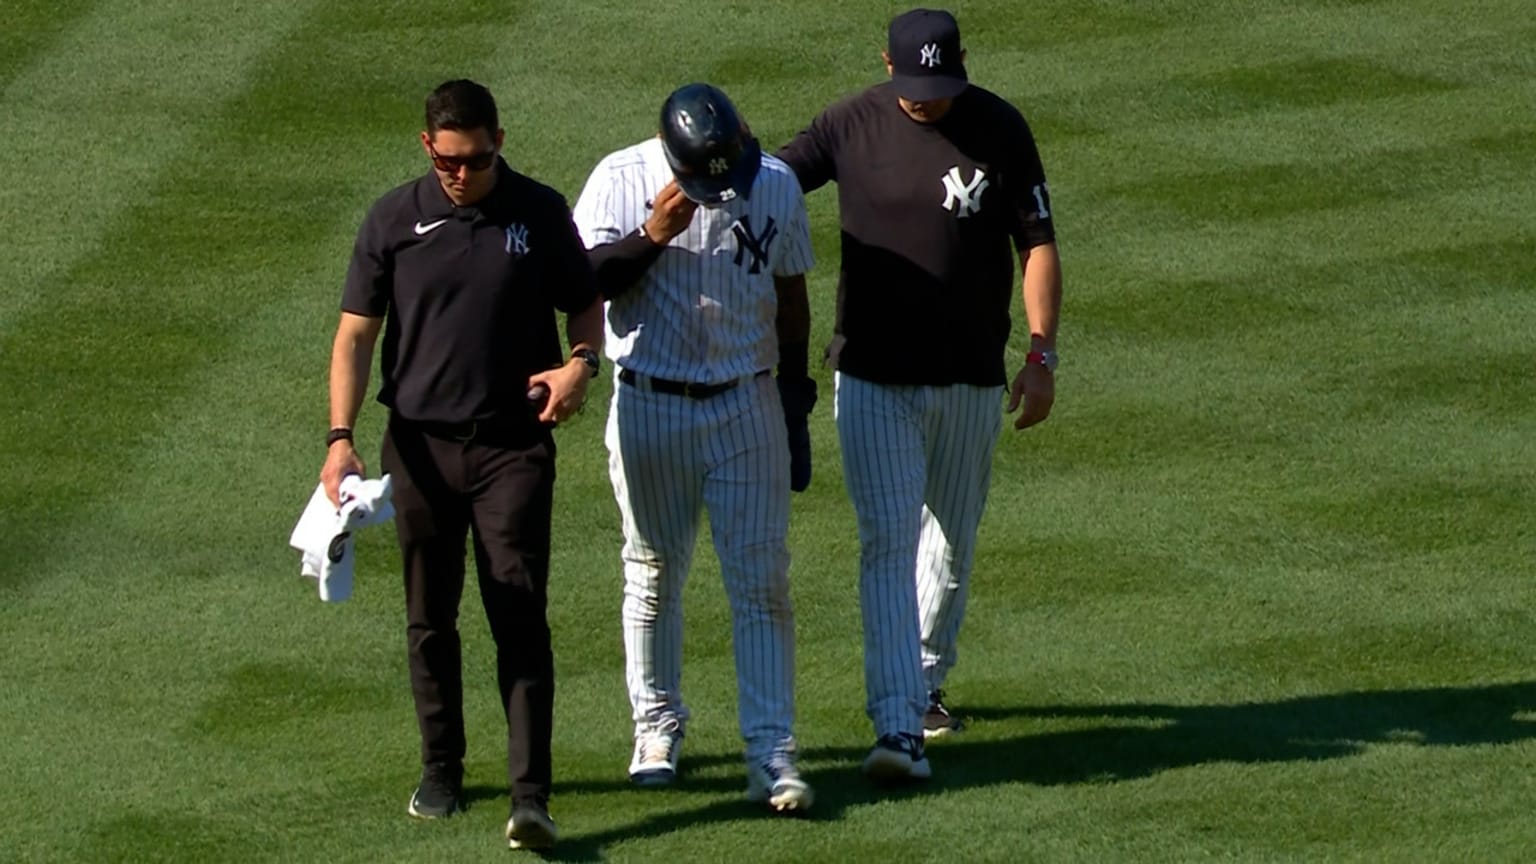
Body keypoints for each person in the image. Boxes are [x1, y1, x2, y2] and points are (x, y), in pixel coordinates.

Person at [776, 8, 1062, 783]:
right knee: (887, 543)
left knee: (954, 541)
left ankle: (928, 680)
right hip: (871, 374)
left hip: (971, 375)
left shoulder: (1000, 126)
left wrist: (1042, 355)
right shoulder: (848, 123)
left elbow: (1036, 242)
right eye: (913, 86)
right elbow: (771, 181)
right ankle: (897, 722)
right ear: (886, 64)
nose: (926, 101)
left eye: (939, 86)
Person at [319, 79, 604, 850]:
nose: (462, 176)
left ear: (499, 141)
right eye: (448, 162)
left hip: (512, 444)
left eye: (475, 161)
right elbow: (354, 337)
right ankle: (441, 769)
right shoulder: (392, 219)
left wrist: (582, 363)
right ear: (427, 148)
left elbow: (585, 304)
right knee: (428, 617)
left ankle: (531, 794)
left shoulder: (539, 212)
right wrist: (338, 437)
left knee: (516, 609)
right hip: (417, 448)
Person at [570, 83, 818, 813]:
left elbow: (792, 292)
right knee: (650, 571)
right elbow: (580, 287)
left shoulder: (771, 182)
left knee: (762, 581)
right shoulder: (619, 180)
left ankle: (771, 753)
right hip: (650, 400)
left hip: (748, 401)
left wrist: (796, 400)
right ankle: (656, 727)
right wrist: (651, 236)